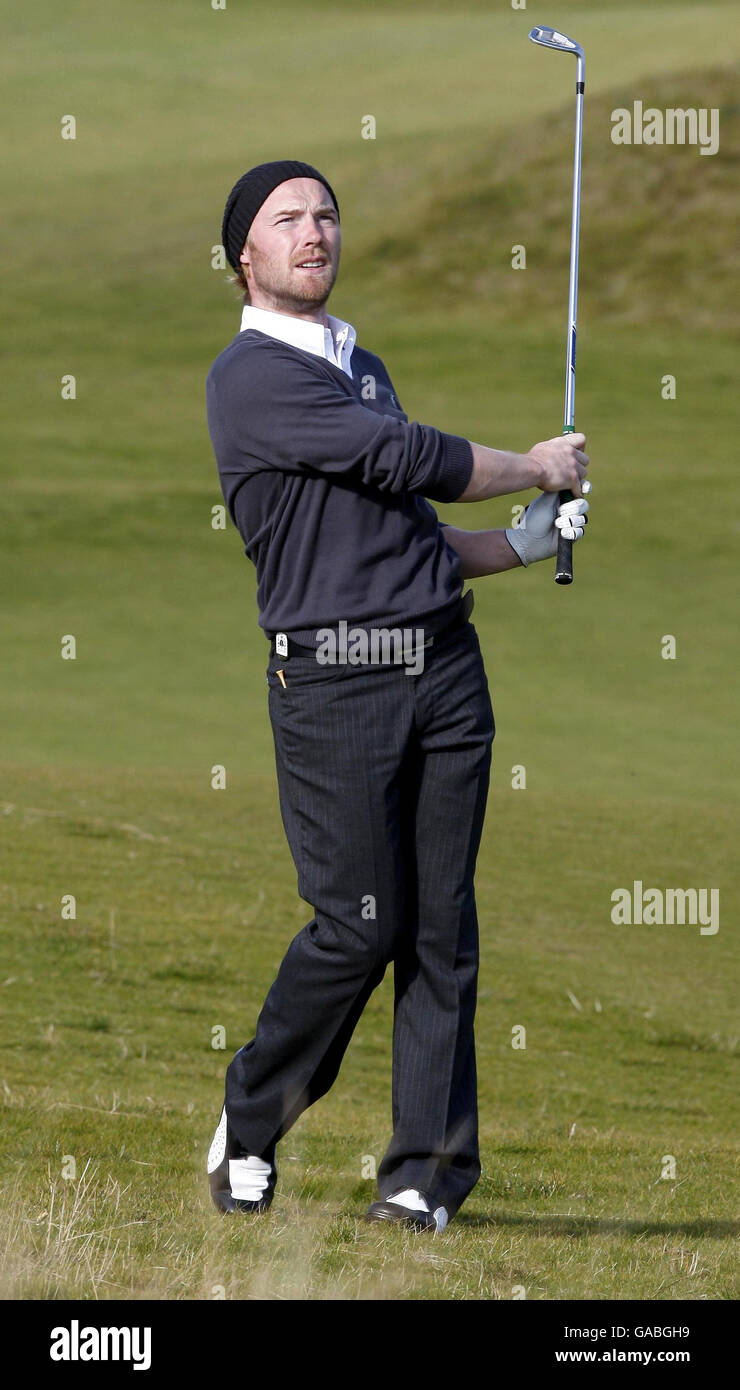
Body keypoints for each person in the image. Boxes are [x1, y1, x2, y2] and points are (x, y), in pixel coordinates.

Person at [205, 159, 590, 1232]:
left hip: (442, 668)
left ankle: (422, 1174)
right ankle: (250, 1113)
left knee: (437, 930)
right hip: (333, 679)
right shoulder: (250, 378)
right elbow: (402, 456)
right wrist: (532, 464)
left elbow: (413, 536)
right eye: (287, 220)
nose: (313, 233)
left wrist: (522, 542)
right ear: (246, 255)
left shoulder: (357, 362)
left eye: (326, 215)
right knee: (353, 926)